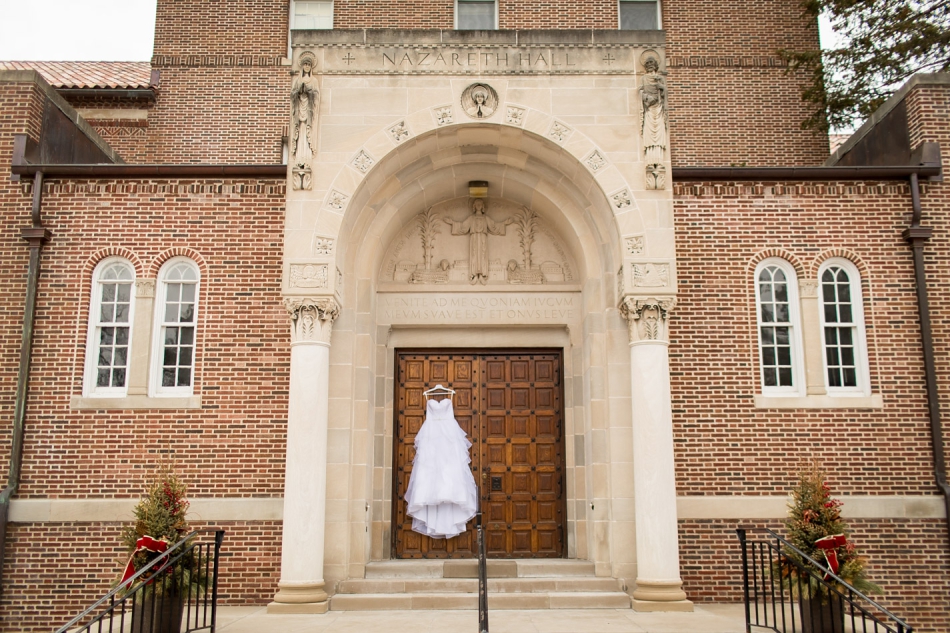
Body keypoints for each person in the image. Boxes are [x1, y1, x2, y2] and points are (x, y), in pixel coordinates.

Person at [444, 199, 513, 284]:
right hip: (474, 239)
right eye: (477, 204)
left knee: (483, 256)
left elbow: (494, 227)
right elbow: (463, 227)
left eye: (480, 204)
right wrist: (452, 222)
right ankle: (474, 275)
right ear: (474, 206)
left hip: (483, 239)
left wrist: (504, 223)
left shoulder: (485, 218)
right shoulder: (471, 218)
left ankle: (482, 275)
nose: (479, 205)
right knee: (474, 255)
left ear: (483, 206)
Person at [639, 56, 668, 165]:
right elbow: (639, 92)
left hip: (659, 108)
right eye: (647, 63)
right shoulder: (643, 78)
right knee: (649, 132)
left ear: (656, 64)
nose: (650, 64)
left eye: (652, 62)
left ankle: (658, 158)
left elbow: (665, 91)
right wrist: (646, 97)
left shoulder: (660, 78)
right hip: (649, 108)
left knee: (659, 133)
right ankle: (651, 158)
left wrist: (661, 87)